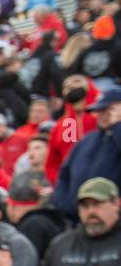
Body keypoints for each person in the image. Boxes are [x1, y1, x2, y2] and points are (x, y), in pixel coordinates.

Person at [52, 88, 121, 217]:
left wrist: (118, 125)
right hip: (79, 217)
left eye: (107, 110)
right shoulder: (88, 139)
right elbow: (64, 174)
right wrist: (64, 203)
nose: (100, 115)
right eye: (98, 111)